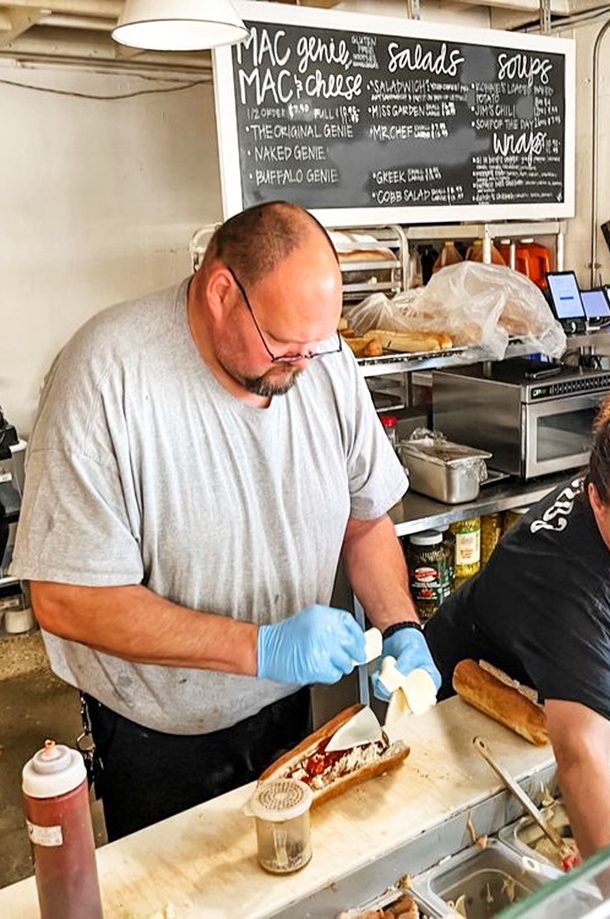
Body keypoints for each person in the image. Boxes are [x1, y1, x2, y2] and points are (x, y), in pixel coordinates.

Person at [10, 201, 440, 840]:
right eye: (285, 347)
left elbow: (365, 516)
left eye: (315, 347)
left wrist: (400, 625)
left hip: (288, 709)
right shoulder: (106, 375)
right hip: (160, 733)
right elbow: (66, 599)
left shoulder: (320, 362)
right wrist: (259, 647)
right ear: (220, 292)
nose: (301, 366)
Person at [425, 378, 610, 859]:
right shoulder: (566, 587)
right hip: (468, 738)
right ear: (597, 501)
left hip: (571, 716)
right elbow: (582, 757)